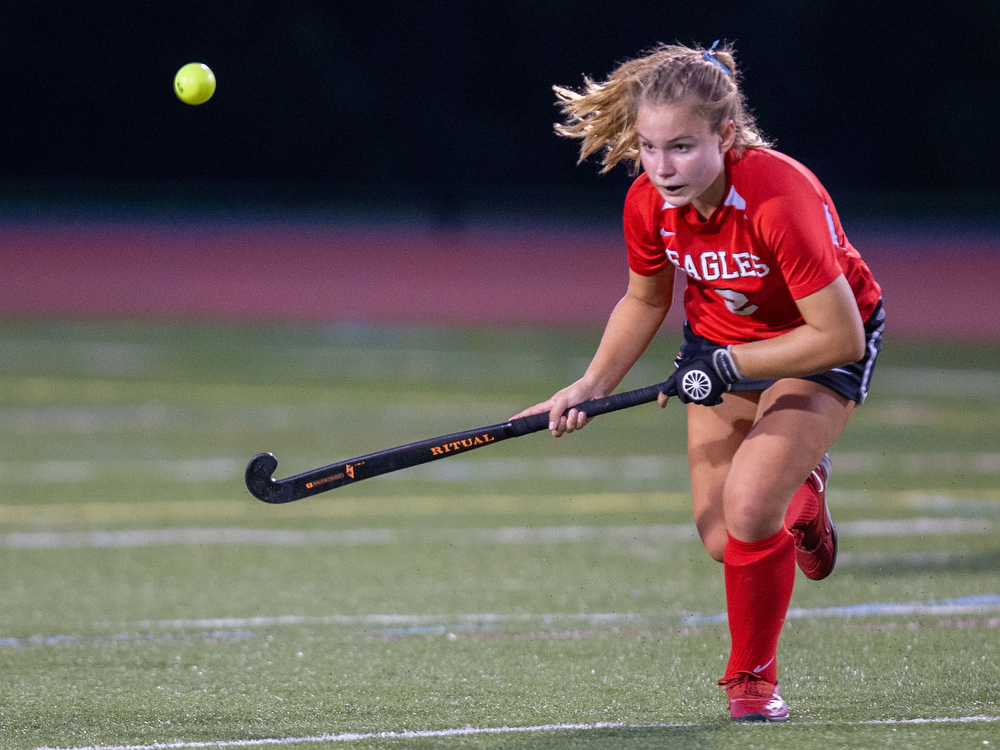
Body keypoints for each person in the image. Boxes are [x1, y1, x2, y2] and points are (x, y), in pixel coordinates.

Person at [513, 41, 885, 722]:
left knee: (748, 508)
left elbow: (840, 336)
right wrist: (591, 384)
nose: (662, 167)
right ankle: (804, 484)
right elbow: (647, 300)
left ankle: (752, 682)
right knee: (724, 537)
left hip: (821, 341)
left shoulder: (777, 197)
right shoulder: (648, 203)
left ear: (725, 134)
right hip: (720, 345)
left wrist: (725, 368)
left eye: (681, 147)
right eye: (649, 148)